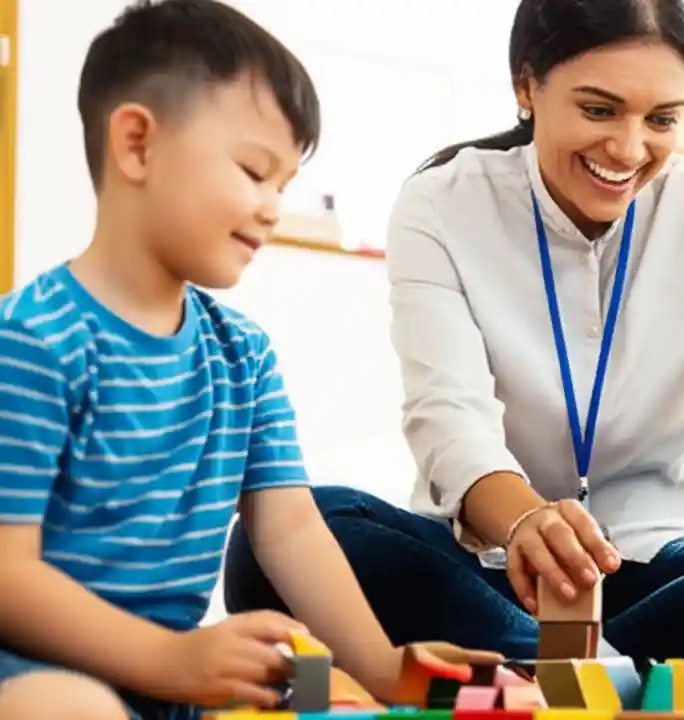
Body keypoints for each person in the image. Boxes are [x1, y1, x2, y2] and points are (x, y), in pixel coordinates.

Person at [223, 0, 684, 683]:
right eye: (598, 108)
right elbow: (449, 421)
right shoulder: (442, 202)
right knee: (283, 537)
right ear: (527, 87)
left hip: (661, 564)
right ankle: (618, 671)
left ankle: (549, 672)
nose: (628, 148)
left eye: (662, 119)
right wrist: (526, 520)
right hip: (491, 564)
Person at [0, 3, 501, 719]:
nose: (271, 208)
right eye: (253, 171)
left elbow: (290, 529)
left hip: (175, 677)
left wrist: (388, 670)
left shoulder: (243, 356)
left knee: (334, 707)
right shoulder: (33, 341)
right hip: (32, 672)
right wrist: (168, 660)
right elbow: (6, 577)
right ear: (138, 145)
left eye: (284, 186)